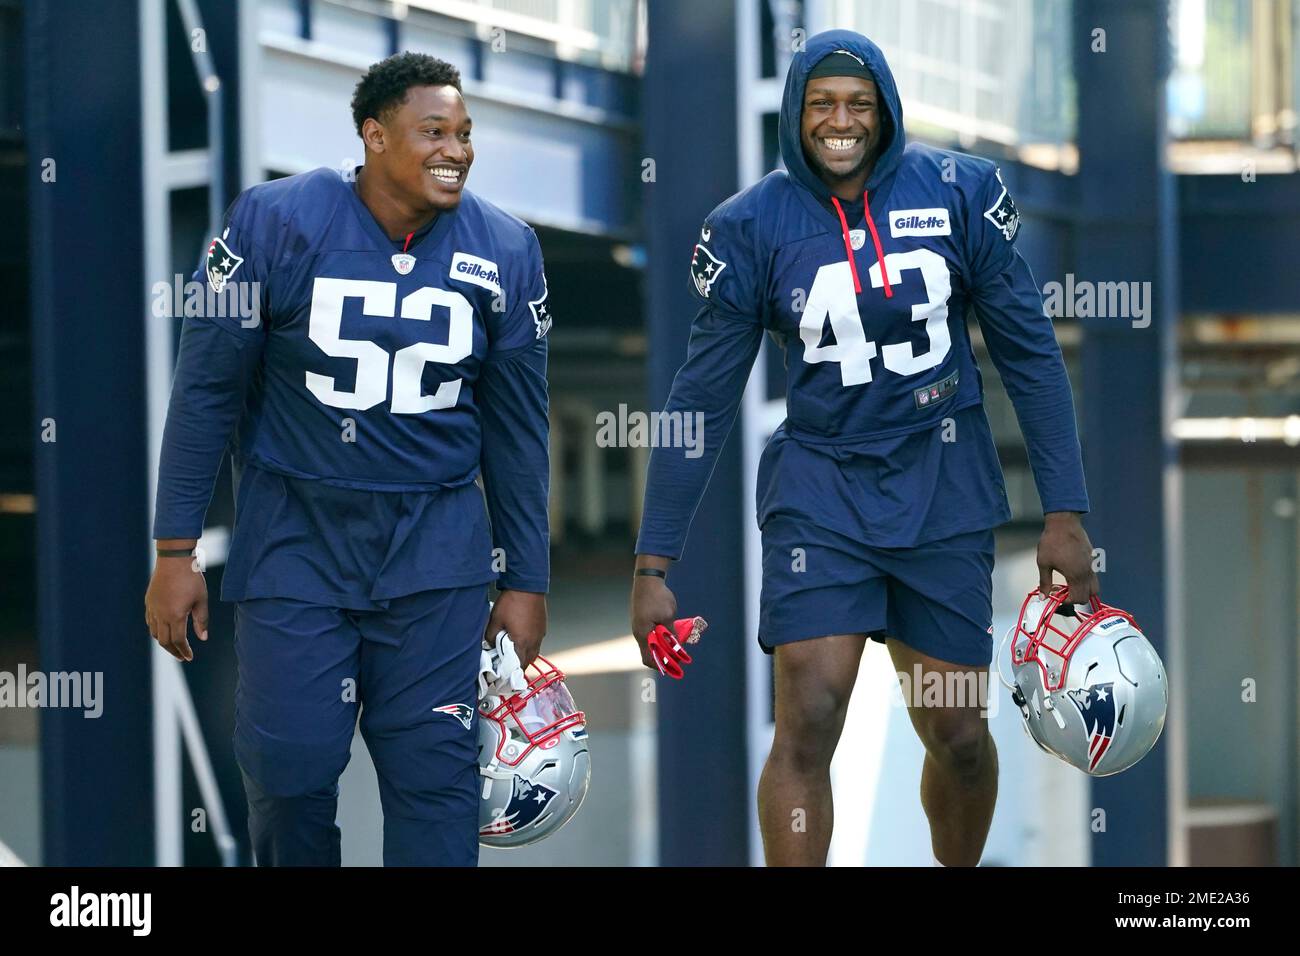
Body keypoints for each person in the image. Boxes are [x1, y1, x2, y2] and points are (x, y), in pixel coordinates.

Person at [630, 30, 1098, 866]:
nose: (840, 121)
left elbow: (1028, 350)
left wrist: (1066, 511)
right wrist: (652, 563)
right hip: (822, 487)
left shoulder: (960, 190)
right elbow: (698, 399)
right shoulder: (750, 227)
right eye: (821, 104)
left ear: (884, 112)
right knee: (808, 716)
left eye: (858, 104)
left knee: (957, 733)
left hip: (942, 479)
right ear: (794, 114)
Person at [144, 52, 551, 866]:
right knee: (288, 772)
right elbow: (205, 391)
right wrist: (174, 549)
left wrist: (527, 579)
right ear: (373, 134)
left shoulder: (507, 248)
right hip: (298, 542)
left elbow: (516, 430)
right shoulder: (270, 221)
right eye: (434, 131)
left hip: (435, 554)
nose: (457, 149)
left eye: (465, 134)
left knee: (436, 787)